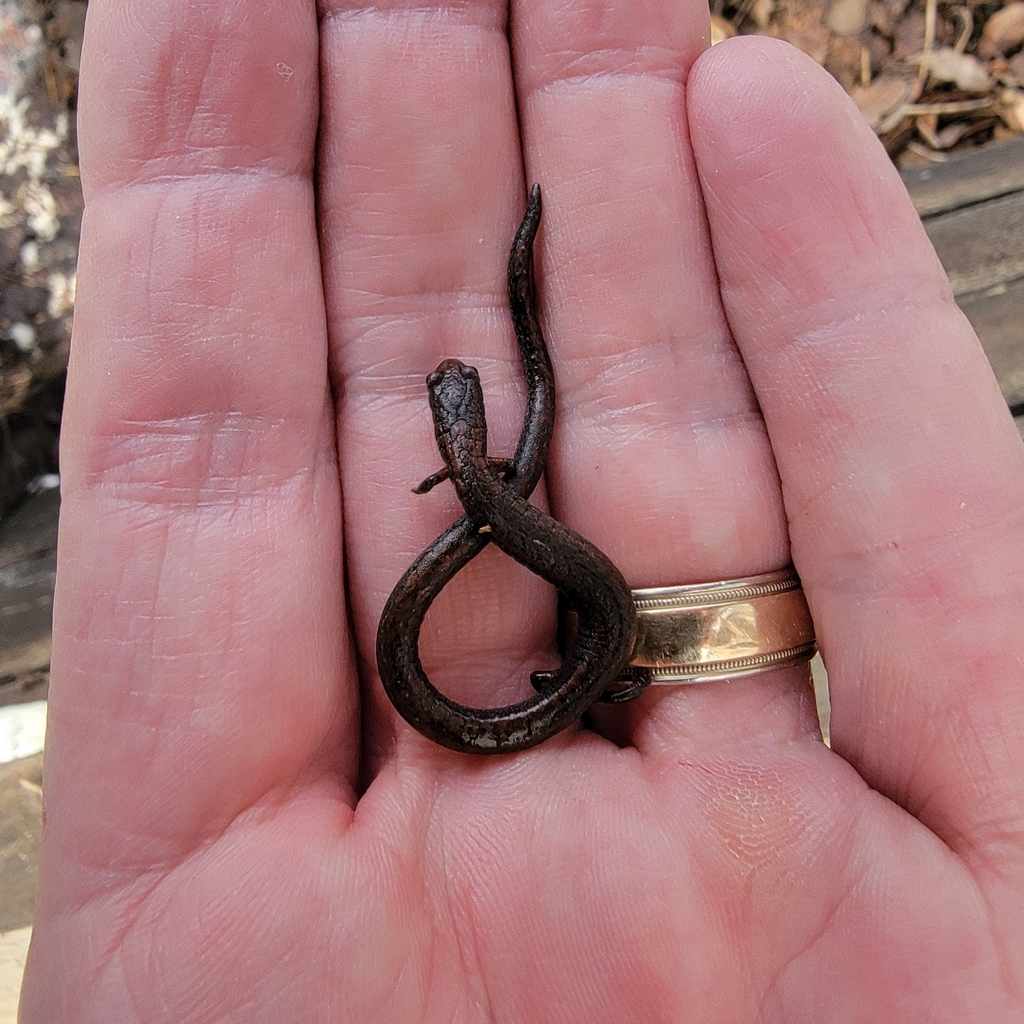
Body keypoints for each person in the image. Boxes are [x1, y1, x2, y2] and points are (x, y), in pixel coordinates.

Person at [18, 0, 1024, 1018]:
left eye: (452, 415)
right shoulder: (488, 490)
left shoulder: (484, 493)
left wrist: (492, 500)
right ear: (468, 442)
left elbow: (499, 496)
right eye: (452, 416)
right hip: (524, 595)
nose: (457, 413)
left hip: (534, 596)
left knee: (525, 560)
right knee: (523, 555)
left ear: (458, 446)